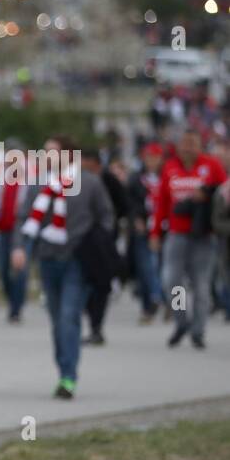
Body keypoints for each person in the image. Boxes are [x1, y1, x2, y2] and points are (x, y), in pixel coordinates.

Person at [10, 137, 115, 398]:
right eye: (44, 153)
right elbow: (23, 217)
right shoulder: (38, 185)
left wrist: (96, 242)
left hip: (77, 261)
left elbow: (106, 216)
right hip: (47, 260)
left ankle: (69, 377)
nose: (47, 157)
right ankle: (63, 368)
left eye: (52, 153)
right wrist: (19, 247)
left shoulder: (89, 183)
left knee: (69, 317)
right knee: (57, 320)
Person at [152, 128, 225, 348]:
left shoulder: (212, 166)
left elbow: (224, 193)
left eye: (192, 144)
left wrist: (208, 193)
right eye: (185, 144)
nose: (188, 148)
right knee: (173, 281)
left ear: (200, 146)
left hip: (204, 236)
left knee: (201, 284)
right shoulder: (170, 167)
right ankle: (181, 320)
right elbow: (162, 203)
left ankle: (198, 330)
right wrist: (155, 232)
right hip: (177, 234)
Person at [80, 147, 128, 346]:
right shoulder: (76, 181)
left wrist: (106, 229)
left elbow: (123, 207)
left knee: (101, 284)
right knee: (85, 285)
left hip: (103, 242)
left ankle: (96, 326)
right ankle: (92, 323)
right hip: (81, 241)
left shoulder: (108, 180)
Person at [126, 143, 165, 323]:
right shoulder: (136, 179)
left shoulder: (167, 176)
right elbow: (130, 203)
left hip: (167, 229)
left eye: (155, 158)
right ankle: (149, 306)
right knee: (145, 267)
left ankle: (176, 306)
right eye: (148, 157)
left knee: (171, 271)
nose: (152, 161)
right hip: (144, 229)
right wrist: (137, 219)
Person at [0, 144, 30, 323]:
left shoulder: (30, 178)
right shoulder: (0, 177)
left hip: (21, 230)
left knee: (19, 269)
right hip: (4, 230)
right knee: (3, 270)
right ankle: (11, 300)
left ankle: (17, 307)